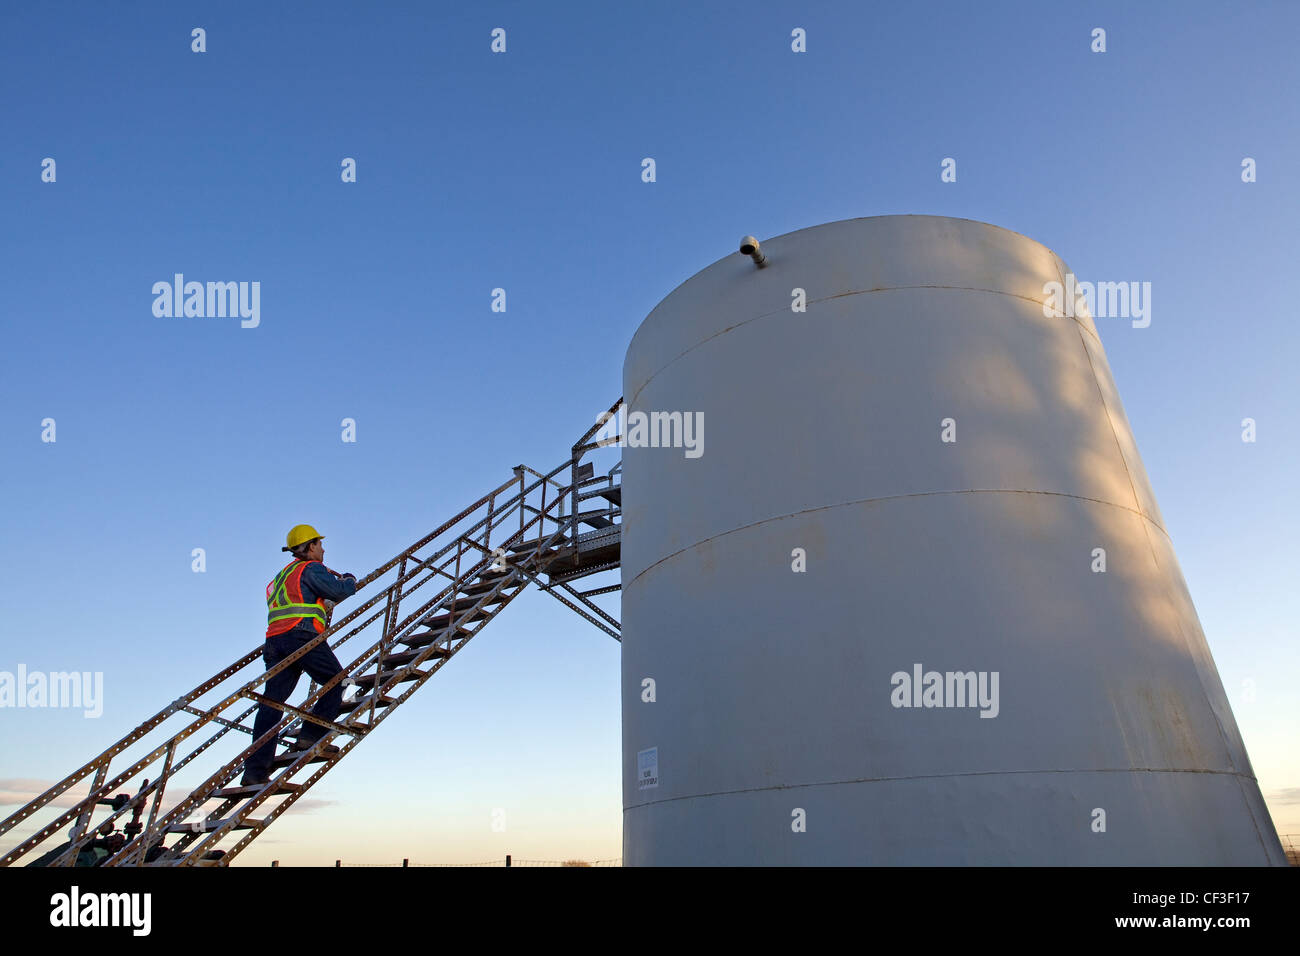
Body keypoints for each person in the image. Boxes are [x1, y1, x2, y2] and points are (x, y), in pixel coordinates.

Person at [241, 524, 358, 787]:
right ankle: (312, 735)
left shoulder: (279, 577)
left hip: (274, 641)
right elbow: (340, 590)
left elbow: (303, 598)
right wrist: (349, 580)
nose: (324, 549)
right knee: (340, 683)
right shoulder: (311, 568)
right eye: (320, 544)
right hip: (302, 635)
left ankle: (255, 770)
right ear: (310, 546)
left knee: (272, 703)